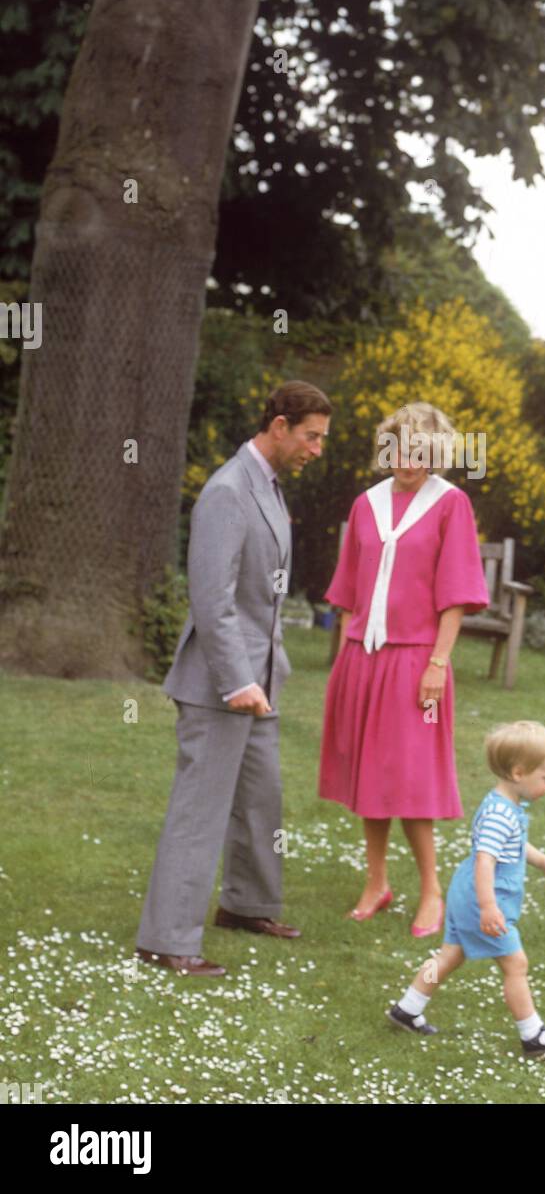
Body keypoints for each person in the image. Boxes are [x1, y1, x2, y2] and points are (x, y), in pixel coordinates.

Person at [135, 380, 332, 977]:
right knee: (201, 809)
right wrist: (236, 681)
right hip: (222, 684)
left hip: (261, 681)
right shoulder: (226, 491)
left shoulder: (269, 488)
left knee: (259, 802)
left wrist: (269, 675)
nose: (316, 451)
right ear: (279, 426)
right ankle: (166, 938)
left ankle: (246, 906)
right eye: (311, 437)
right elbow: (211, 598)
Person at [319, 401, 489, 937]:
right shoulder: (365, 505)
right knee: (369, 774)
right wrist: (346, 657)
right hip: (363, 657)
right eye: (397, 450)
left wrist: (438, 663)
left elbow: (456, 597)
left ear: (437, 454)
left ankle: (432, 891)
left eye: (419, 452)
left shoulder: (451, 505)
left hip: (419, 660)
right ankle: (376, 882)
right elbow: (348, 591)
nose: (407, 461)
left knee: (412, 781)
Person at [388, 720, 545, 1059]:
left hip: (468, 894)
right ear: (519, 773)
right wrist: (489, 907)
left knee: (451, 954)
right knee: (515, 964)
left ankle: (407, 1008)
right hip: (482, 898)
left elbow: (516, 845)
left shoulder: (505, 807)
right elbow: (485, 862)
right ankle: (533, 1035)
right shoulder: (498, 815)